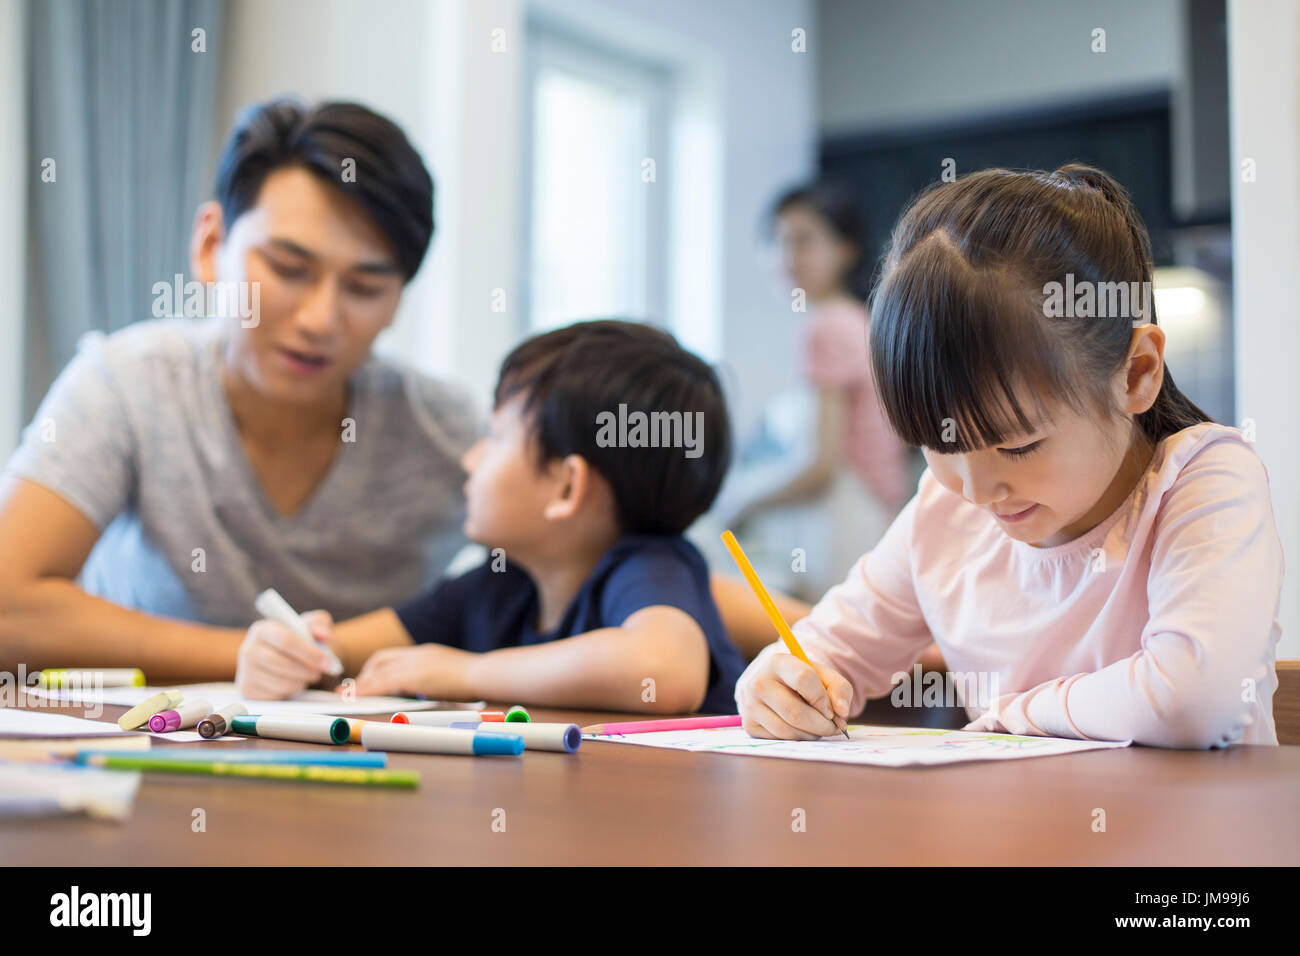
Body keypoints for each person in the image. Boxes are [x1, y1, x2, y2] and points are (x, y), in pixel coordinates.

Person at [735, 164, 1283, 749]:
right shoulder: (944, 510)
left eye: (1018, 445)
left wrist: (1015, 713)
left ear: (1137, 373)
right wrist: (779, 685)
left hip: (1198, 840)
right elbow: (827, 651)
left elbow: (1191, 700)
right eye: (940, 443)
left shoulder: (1205, 483)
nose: (975, 490)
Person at [0, 98, 479, 682]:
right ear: (211, 247)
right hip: (150, 750)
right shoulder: (128, 383)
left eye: (364, 286)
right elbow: (8, 608)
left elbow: (583, 565)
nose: (320, 320)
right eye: (288, 269)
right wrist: (252, 658)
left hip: (363, 761)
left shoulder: (444, 428)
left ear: (398, 298)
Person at [236, 321, 747, 714]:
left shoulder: (652, 567)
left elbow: (661, 671)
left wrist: (466, 672)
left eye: (496, 437)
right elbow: (351, 654)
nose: (470, 459)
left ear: (567, 486)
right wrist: (288, 654)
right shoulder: (497, 585)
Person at [727, 180, 913, 593]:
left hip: (845, 520)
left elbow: (821, 465)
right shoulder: (857, 319)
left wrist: (740, 503)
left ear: (845, 249)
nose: (786, 257)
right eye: (776, 242)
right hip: (875, 516)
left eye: (803, 241)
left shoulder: (825, 328)